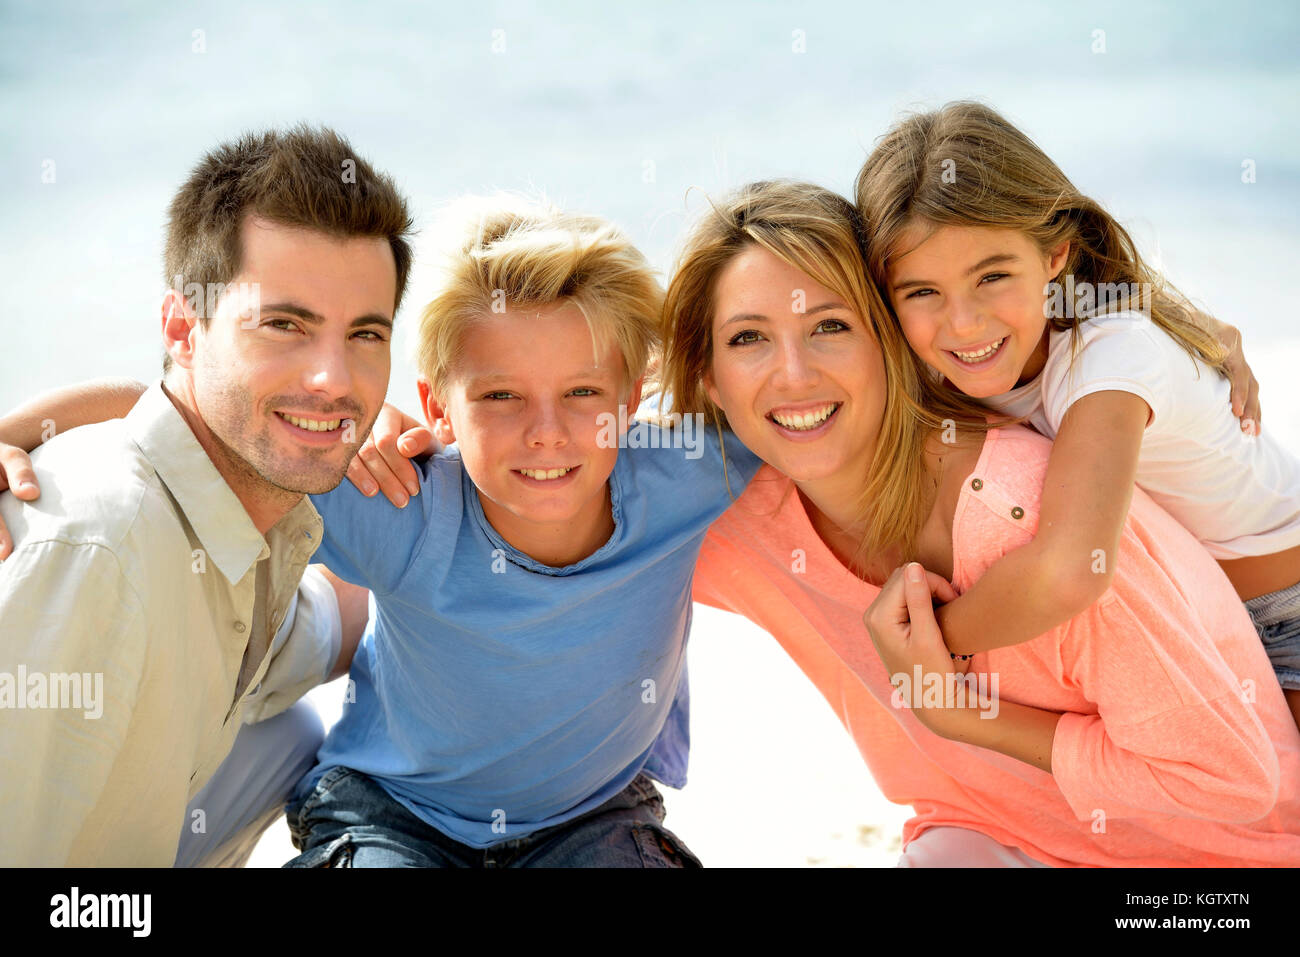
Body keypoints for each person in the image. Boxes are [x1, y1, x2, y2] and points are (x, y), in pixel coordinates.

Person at [0, 194, 763, 867]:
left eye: (583, 392)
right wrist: (18, 427)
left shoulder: (681, 478)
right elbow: (199, 415)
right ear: (437, 407)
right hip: (394, 813)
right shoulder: (401, 502)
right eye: (500, 395)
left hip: (590, 813)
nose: (546, 433)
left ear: (630, 399)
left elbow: (809, 422)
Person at [659, 179, 1300, 866]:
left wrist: (961, 711)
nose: (792, 374)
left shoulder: (1031, 516)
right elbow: (553, 488)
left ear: (892, 344)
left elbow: (1232, 780)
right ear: (708, 377)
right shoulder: (728, 511)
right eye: (749, 338)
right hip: (989, 836)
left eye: (830, 326)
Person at [0, 125, 411, 865]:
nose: (335, 380)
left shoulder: (248, 525)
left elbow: (326, 630)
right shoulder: (102, 547)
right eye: (286, 324)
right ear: (184, 329)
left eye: (365, 335)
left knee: (289, 734)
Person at [857, 101, 1300, 728]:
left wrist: (929, 643)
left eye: (993, 277)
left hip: (1282, 621)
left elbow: (1070, 574)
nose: (964, 322)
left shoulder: (1110, 357)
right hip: (1183, 624)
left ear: (1057, 256)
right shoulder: (942, 361)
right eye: (922, 291)